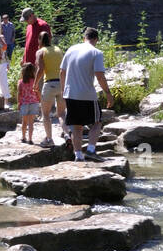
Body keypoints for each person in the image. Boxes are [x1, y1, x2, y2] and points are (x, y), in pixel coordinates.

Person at [59, 27, 114, 161]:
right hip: (87, 95)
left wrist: (63, 91)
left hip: (70, 94)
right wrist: (108, 93)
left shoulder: (71, 49)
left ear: (84, 38)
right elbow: (100, 76)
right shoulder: (96, 52)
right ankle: (90, 150)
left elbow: (62, 72)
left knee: (76, 126)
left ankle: (78, 156)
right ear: (96, 39)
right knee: (96, 122)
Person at [34, 30, 65, 146]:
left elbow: (41, 69)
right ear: (50, 39)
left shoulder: (40, 52)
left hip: (49, 84)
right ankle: (67, 134)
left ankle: (49, 139)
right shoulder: (58, 50)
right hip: (62, 84)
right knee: (62, 114)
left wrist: (35, 83)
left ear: (39, 40)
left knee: (45, 114)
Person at [17, 61, 41, 143]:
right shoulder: (34, 81)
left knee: (24, 122)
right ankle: (30, 139)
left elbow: (19, 94)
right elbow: (37, 91)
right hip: (34, 103)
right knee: (31, 123)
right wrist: (40, 99)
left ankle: (23, 137)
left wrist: (18, 103)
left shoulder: (20, 82)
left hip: (24, 104)